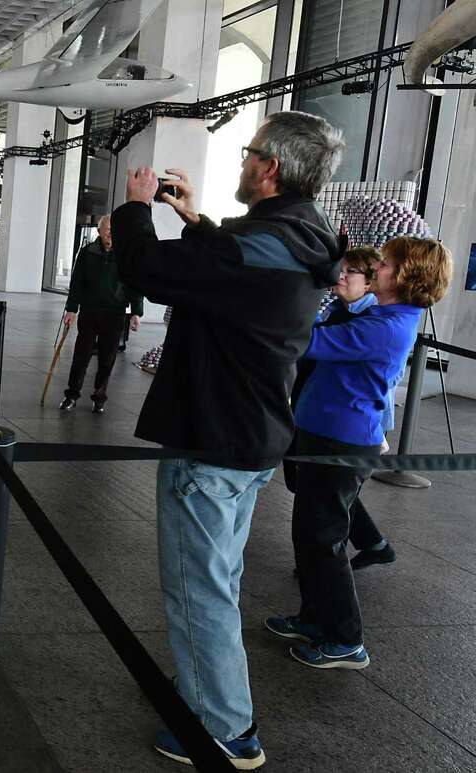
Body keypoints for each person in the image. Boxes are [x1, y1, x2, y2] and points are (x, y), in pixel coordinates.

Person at [112, 110, 346, 769]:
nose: (242, 163)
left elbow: (144, 267)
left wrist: (135, 209)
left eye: (248, 153)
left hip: (212, 438)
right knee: (215, 575)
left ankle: (223, 728)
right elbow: (239, 273)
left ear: (269, 168)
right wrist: (198, 221)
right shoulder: (307, 233)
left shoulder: (259, 243)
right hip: (254, 434)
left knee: (198, 585)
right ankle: (203, 693)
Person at [267, 237, 451, 671]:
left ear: (407, 277)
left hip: (342, 441)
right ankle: (314, 619)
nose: (377, 269)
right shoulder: (386, 314)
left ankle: (346, 639)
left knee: (325, 541)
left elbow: (308, 342)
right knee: (310, 536)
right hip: (324, 432)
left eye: (386, 264)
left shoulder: (386, 325)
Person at [284, 247, 396, 572]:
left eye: (351, 272)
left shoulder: (372, 320)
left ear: (372, 280)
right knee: (319, 490)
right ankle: (372, 545)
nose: (341, 276)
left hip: (345, 426)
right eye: (340, 270)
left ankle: (329, 579)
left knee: (325, 505)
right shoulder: (342, 309)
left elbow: (313, 344)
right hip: (319, 416)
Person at [60, 215, 142, 413]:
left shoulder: (125, 255)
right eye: (107, 229)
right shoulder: (88, 252)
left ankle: (99, 398)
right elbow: (77, 283)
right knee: (81, 355)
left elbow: (134, 286)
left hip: (115, 313)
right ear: (99, 231)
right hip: (89, 311)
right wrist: (72, 309)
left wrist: (136, 312)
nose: (111, 233)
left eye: (115, 230)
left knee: (107, 358)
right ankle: (72, 395)